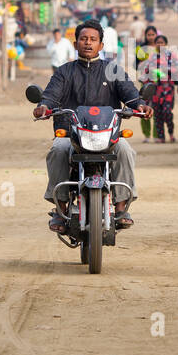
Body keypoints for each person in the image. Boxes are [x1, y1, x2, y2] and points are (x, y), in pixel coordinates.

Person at [34, 19, 152, 231]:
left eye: (93, 39)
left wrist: (141, 105)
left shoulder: (113, 70)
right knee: (58, 150)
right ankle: (60, 209)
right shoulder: (64, 72)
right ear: (76, 43)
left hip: (108, 135)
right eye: (83, 39)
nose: (88, 43)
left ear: (101, 45)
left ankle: (122, 206)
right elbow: (51, 95)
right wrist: (43, 106)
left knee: (125, 149)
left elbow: (131, 95)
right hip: (71, 134)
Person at [150, 33, 178, 143]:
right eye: (157, 43)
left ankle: (171, 133)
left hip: (168, 89)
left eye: (162, 43)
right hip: (156, 90)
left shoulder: (172, 57)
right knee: (157, 114)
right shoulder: (152, 58)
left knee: (167, 112)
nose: (160, 45)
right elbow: (146, 73)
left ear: (166, 44)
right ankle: (161, 137)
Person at [134, 26, 159, 142]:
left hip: (159, 82)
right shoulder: (141, 48)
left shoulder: (160, 48)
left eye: (153, 34)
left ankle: (157, 134)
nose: (151, 37)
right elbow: (136, 65)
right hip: (145, 82)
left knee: (158, 108)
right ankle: (146, 135)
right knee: (144, 107)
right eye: (149, 35)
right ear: (145, 35)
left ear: (156, 34)